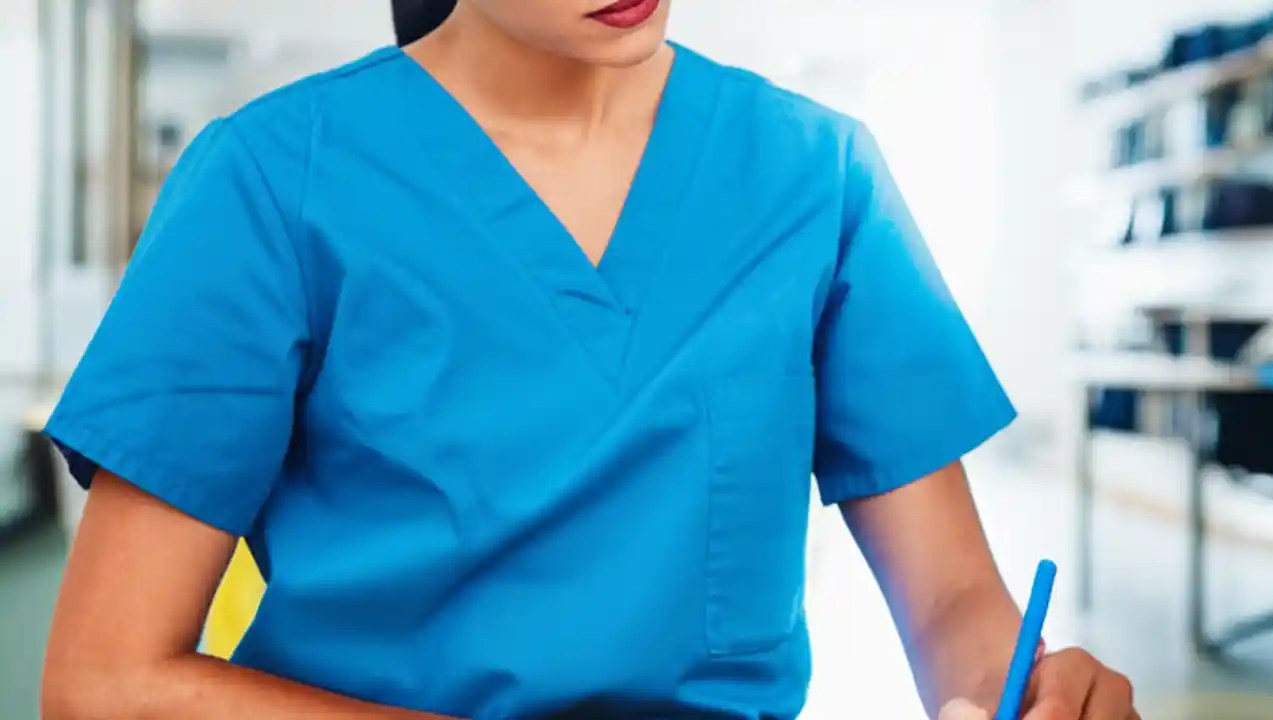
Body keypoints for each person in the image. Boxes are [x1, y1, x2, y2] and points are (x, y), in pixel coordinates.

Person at [40, 1, 1138, 718]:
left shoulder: (816, 177)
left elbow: (952, 603)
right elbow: (103, 681)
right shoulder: (273, 182)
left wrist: (1033, 693)